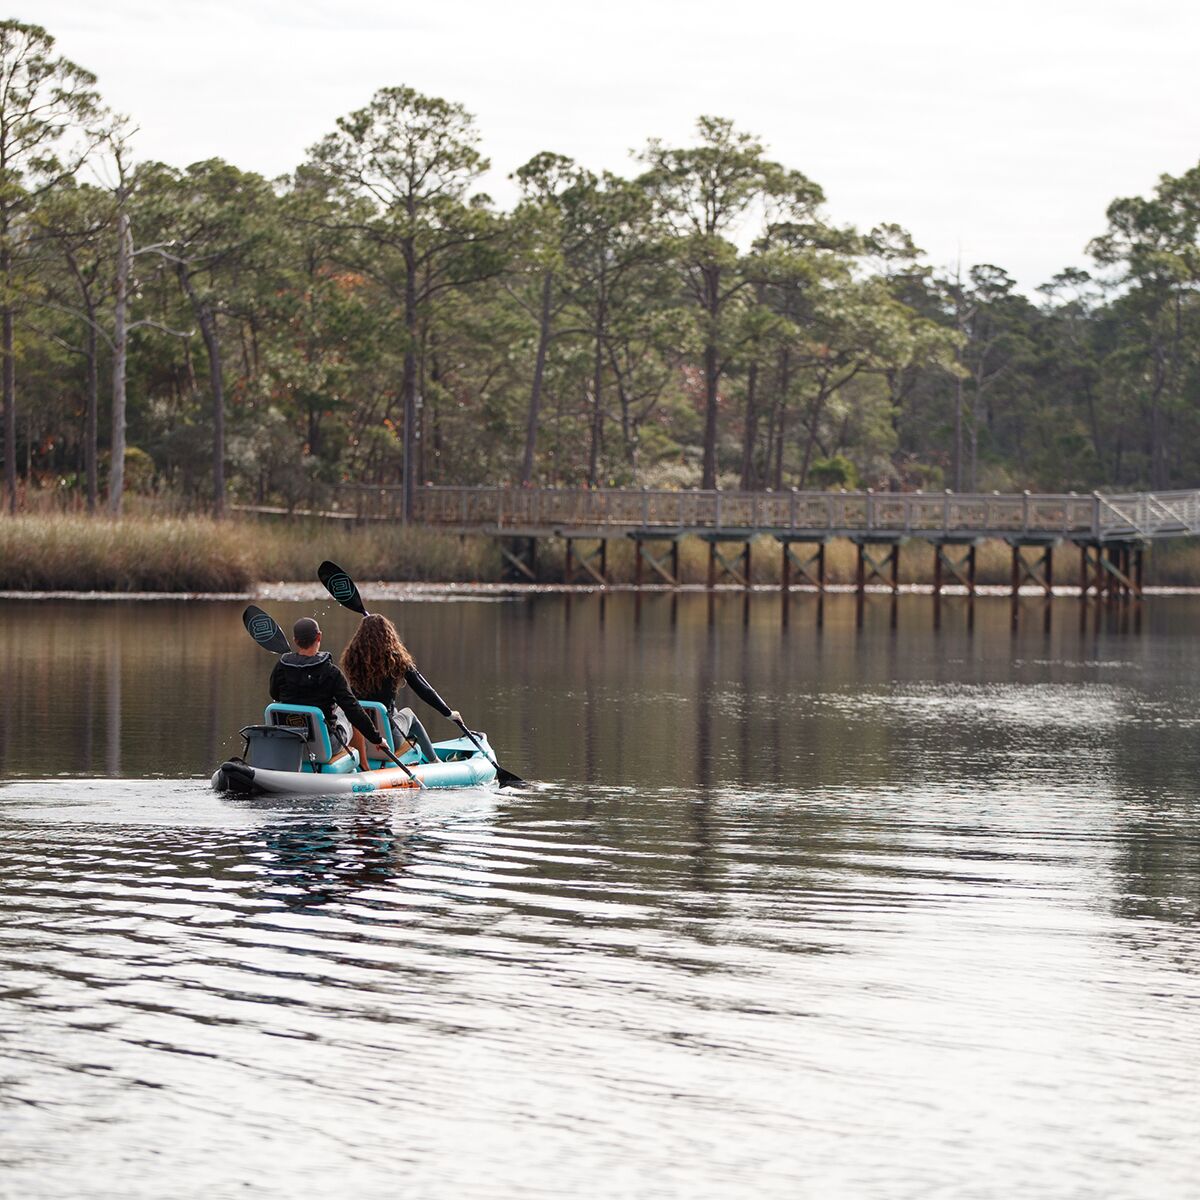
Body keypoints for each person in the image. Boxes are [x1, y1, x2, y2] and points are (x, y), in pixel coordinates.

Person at [340, 613, 461, 766]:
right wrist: (448, 713)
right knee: (409, 714)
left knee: (395, 712)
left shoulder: (352, 658)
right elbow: (423, 690)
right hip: (387, 738)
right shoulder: (396, 659)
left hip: (360, 735)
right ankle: (434, 761)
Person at [269, 617, 386, 766]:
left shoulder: (281, 667)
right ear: (319, 636)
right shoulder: (331, 672)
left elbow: (274, 695)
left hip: (290, 741)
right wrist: (377, 739)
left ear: (295, 640)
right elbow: (353, 709)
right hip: (326, 744)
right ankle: (364, 767)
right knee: (348, 713)